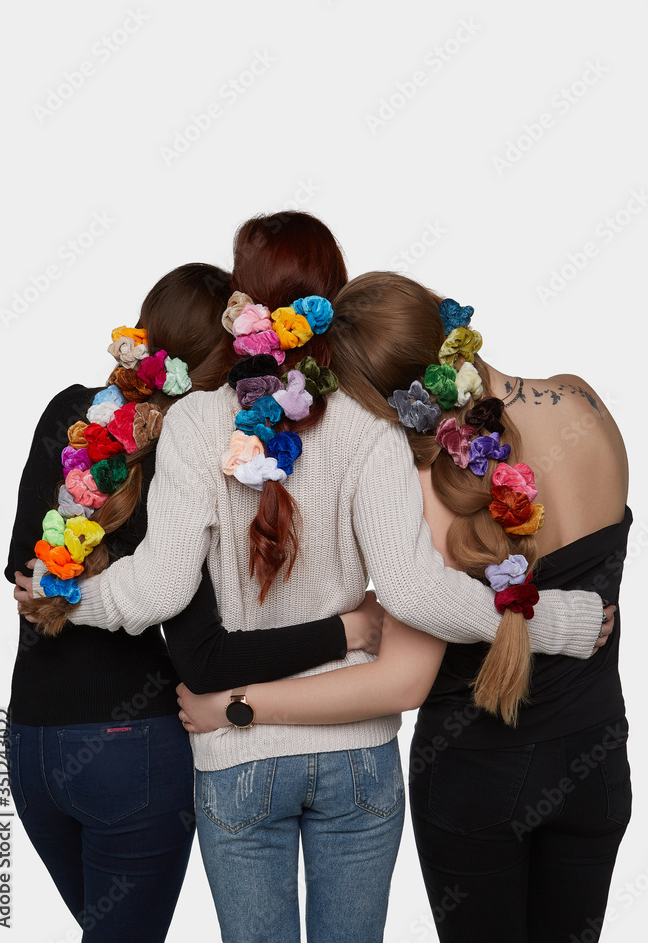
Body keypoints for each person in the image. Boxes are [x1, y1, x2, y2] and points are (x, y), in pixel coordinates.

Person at [23, 214, 609, 943]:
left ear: (242, 305)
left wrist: (68, 597)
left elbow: (158, 592)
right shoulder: (372, 426)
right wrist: (551, 619)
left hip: (239, 763)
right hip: (356, 759)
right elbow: (415, 590)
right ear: (332, 301)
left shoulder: (198, 422)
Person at [176, 271, 629, 943]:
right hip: (596, 761)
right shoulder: (581, 401)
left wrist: (235, 707)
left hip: (478, 777)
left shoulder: (432, 484)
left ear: (396, 399)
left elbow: (401, 681)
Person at [8, 259, 382, 943]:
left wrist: (63, 589)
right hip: (134, 752)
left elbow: (22, 576)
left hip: (31, 750)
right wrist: (348, 629)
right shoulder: (184, 450)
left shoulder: (69, 410)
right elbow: (207, 659)